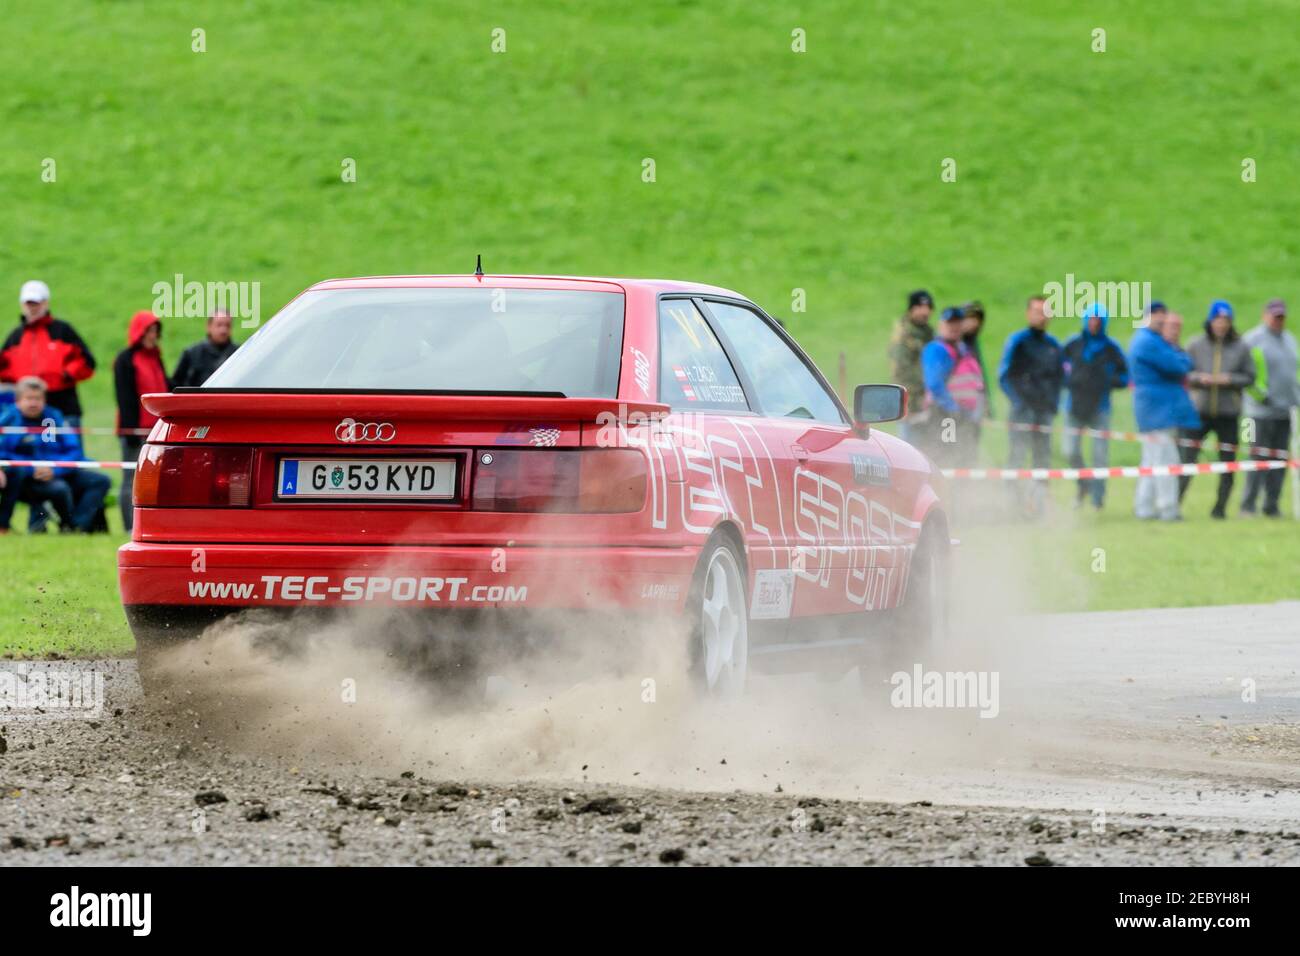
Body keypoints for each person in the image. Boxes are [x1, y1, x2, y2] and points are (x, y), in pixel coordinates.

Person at [0, 377, 109, 533]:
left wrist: (55, 469)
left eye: (37, 398)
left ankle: (76, 526)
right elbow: (3, 453)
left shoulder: (54, 417)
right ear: (18, 400)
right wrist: (32, 467)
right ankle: (67, 524)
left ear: (44, 399)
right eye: (29, 398)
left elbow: (74, 449)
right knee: (59, 489)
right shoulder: (8, 420)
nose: (33, 403)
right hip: (27, 476)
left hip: (59, 470)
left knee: (100, 480)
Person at [1180, 300, 1255, 518]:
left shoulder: (1241, 347)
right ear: (1210, 321)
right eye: (1218, 320)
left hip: (1228, 414)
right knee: (1188, 459)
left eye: (1226, 321)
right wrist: (1199, 378)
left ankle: (1220, 508)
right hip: (1199, 412)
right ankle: (1174, 503)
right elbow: (1184, 372)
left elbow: (1249, 377)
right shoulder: (1195, 344)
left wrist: (1229, 379)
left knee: (1227, 464)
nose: (1221, 325)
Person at [1129, 309, 1199, 521]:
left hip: (1156, 411)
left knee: (1151, 460)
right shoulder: (1149, 342)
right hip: (1156, 411)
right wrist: (1181, 357)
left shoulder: (1150, 341)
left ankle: (1144, 507)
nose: (1173, 330)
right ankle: (1168, 509)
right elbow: (1180, 366)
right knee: (1167, 459)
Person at [998, 295, 1063, 518]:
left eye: (1045, 311)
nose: (1041, 316)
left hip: (1044, 413)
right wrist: (1019, 402)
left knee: (1042, 458)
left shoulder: (1053, 345)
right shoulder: (1018, 341)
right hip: (1022, 412)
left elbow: (1058, 378)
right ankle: (1011, 506)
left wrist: (1054, 405)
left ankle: (1040, 506)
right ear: (1028, 313)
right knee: (1017, 455)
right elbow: (1004, 376)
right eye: (1037, 311)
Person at [0, 280, 96, 425]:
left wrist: (66, 374)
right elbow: (4, 368)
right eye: (29, 303)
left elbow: (86, 362)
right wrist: (19, 385)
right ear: (22, 305)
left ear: (45, 303)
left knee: (68, 446)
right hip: (27, 412)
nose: (33, 307)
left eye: (36, 303)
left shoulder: (62, 330)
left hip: (62, 405)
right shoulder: (15, 336)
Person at [1062, 303, 1129, 510]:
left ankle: (1097, 500)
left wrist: (1107, 380)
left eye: (1098, 320)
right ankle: (1084, 484)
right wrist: (1070, 379)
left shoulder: (1111, 348)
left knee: (1100, 456)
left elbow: (1125, 376)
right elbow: (1059, 368)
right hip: (1074, 407)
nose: (1094, 324)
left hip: (1100, 408)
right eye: (1091, 319)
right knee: (1069, 450)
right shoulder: (1073, 344)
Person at [1240, 298, 1300, 517]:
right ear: (1265, 315)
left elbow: (1292, 375)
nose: (1278, 320)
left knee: (1280, 460)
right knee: (1256, 458)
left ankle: (1271, 505)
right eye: (1275, 316)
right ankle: (1247, 505)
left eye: (1282, 317)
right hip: (1256, 413)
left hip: (1285, 412)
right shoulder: (1252, 339)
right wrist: (1262, 398)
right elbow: (1246, 377)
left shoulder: (1290, 340)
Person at [113, 311, 171, 531]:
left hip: (156, 429)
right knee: (131, 478)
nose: (152, 335)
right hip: (135, 430)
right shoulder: (125, 359)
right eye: (148, 330)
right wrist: (130, 431)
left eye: (155, 331)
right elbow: (125, 397)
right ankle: (130, 526)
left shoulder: (156, 357)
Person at [919, 307, 986, 465]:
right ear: (941, 325)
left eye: (957, 323)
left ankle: (964, 490)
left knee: (966, 459)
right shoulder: (937, 349)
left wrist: (977, 411)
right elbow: (934, 384)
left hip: (966, 417)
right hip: (945, 416)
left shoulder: (964, 349)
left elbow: (977, 383)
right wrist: (953, 409)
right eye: (950, 323)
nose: (953, 327)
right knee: (945, 458)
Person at [888, 290, 934, 442]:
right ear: (911, 309)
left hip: (928, 403)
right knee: (910, 444)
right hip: (910, 403)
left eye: (928, 307)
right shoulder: (903, 335)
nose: (925, 311)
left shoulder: (929, 334)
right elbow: (901, 370)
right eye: (920, 306)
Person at [172, 311, 238, 387]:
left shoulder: (239, 354)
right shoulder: (192, 354)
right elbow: (176, 385)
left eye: (227, 325)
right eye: (219, 325)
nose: (223, 330)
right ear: (209, 327)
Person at [961, 301, 995, 422]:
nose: (974, 323)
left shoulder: (972, 343)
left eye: (977, 320)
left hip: (973, 408)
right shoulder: (952, 344)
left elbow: (979, 376)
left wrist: (986, 403)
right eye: (970, 318)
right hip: (955, 410)